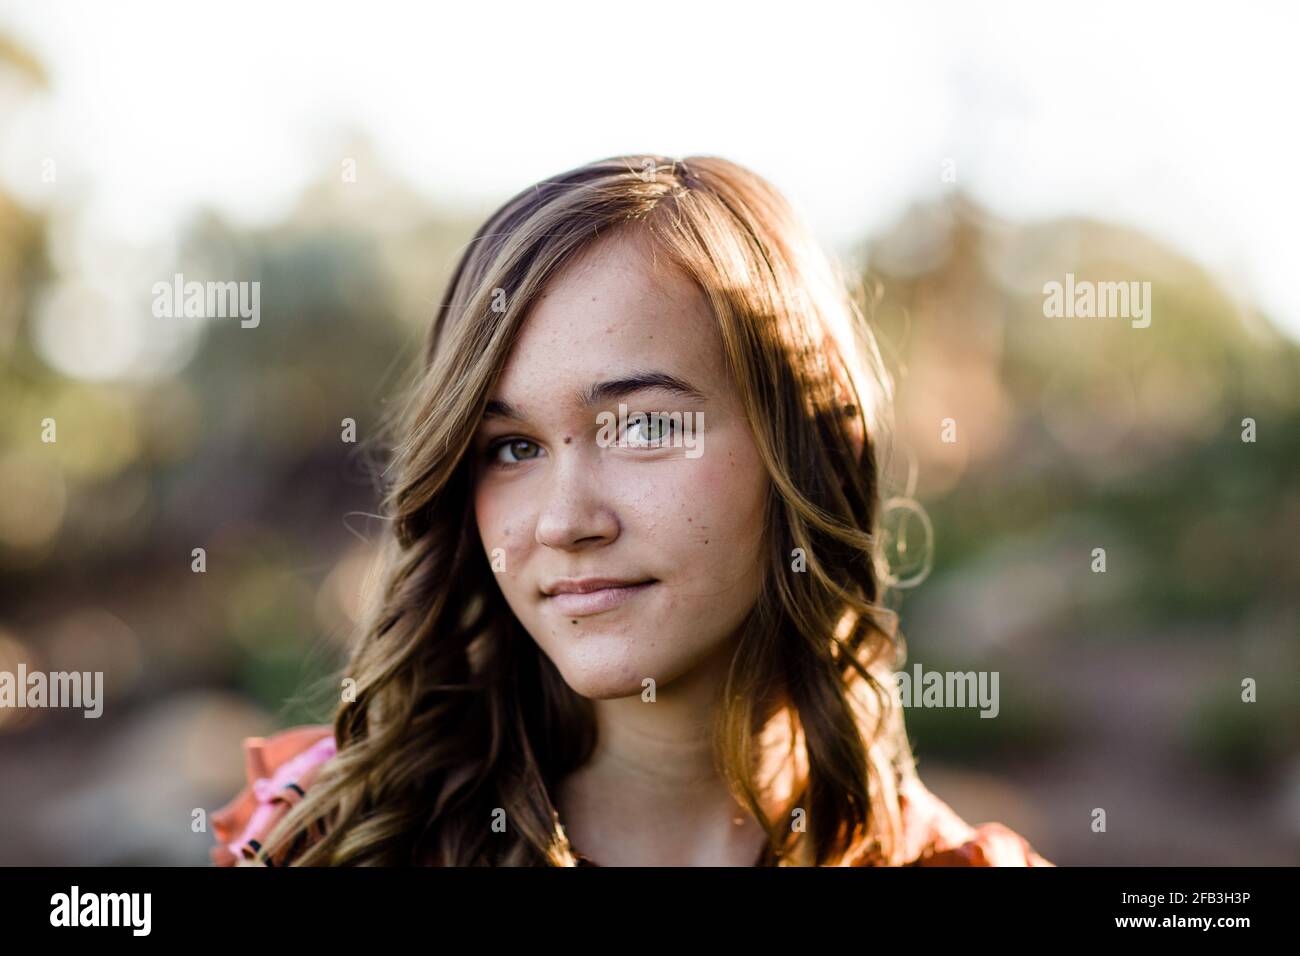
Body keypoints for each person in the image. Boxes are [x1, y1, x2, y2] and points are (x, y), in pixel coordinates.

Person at [211, 155, 1052, 867]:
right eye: (512, 447)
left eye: (645, 425)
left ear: (809, 442)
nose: (563, 521)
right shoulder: (323, 839)